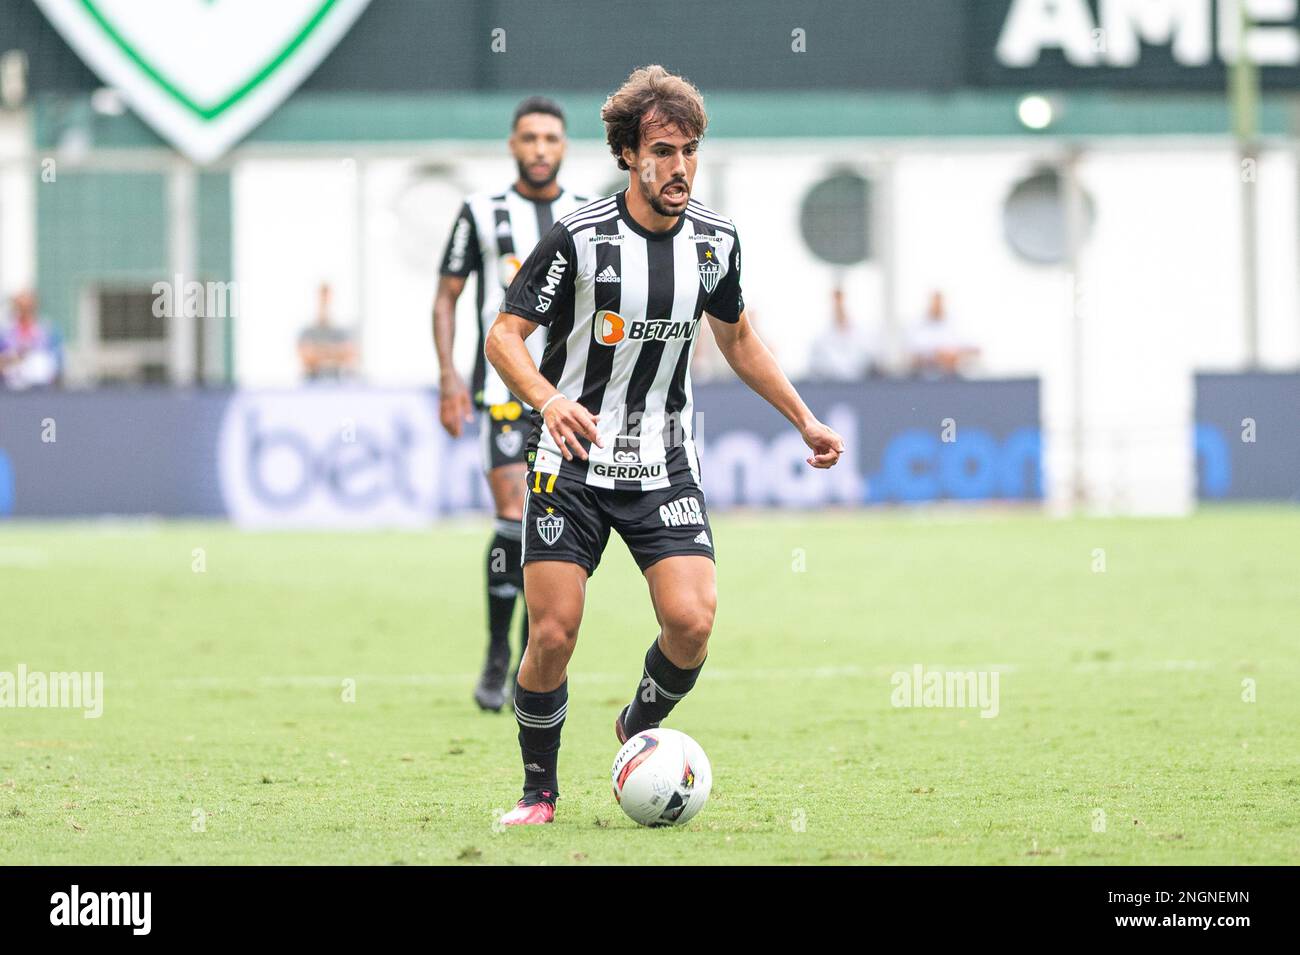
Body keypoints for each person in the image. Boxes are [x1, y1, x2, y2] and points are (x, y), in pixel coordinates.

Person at [484, 65, 846, 825]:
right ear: (628, 154)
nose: (679, 166)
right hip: (571, 462)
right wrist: (548, 400)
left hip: (661, 460)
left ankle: (635, 727)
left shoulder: (714, 242)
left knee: (692, 621)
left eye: (689, 151)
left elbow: (739, 337)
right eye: (663, 151)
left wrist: (803, 418)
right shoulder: (579, 239)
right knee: (552, 631)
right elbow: (503, 337)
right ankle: (539, 792)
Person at [433, 96, 590, 712]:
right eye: (529, 138)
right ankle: (500, 651)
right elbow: (446, 297)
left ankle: (534, 654)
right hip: (502, 391)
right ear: (512, 145)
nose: (540, 148)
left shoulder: (587, 214)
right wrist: (449, 377)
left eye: (551, 138)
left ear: (565, 146)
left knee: (547, 521)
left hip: (568, 395)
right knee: (511, 511)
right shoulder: (479, 211)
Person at [906, 290, 979, 379]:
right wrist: (935, 357)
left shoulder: (955, 324)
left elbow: (973, 348)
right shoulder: (916, 326)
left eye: (939, 303)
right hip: (922, 377)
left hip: (951, 377)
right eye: (935, 303)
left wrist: (955, 355)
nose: (937, 306)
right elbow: (910, 353)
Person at [0, 291, 63, 390]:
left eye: (28, 307)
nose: (24, 311)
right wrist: (14, 358)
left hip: (42, 389)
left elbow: (58, 361)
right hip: (11, 389)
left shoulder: (47, 329)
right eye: (21, 307)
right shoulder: (5, 332)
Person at [808, 288, 874, 381]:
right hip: (831, 388)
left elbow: (866, 361)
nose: (839, 307)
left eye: (841, 302)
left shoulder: (864, 335)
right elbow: (818, 366)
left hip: (860, 387)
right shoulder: (821, 338)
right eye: (836, 303)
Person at [297, 283, 358, 382]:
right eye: (322, 299)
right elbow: (306, 357)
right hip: (311, 384)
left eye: (327, 299)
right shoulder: (307, 332)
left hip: (338, 384)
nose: (324, 303)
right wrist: (335, 353)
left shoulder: (341, 332)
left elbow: (349, 354)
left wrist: (318, 353)